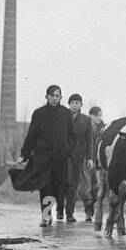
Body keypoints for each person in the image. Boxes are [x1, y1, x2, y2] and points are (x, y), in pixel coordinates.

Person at [17, 85, 75, 226]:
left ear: (60, 97)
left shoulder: (66, 113)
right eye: (52, 95)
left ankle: (52, 210)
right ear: (47, 97)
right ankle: (46, 216)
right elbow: (32, 135)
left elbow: (71, 136)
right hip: (43, 157)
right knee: (45, 186)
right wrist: (24, 154)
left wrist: (68, 149)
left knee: (57, 187)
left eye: (58, 96)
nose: (55, 98)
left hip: (60, 158)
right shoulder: (39, 113)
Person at [64, 93, 95, 224]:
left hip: (79, 156)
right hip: (63, 155)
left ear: (81, 105)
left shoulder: (86, 120)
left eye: (77, 103)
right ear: (69, 104)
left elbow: (90, 140)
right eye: (72, 103)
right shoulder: (63, 117)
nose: (74, 105)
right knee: (62, 183)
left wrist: (89, 157)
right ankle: (60, 210)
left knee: (74, 183)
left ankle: (69, 213)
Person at [86, 105, 107, 229]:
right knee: (86, 186)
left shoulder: (103, 129)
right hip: (87, 159)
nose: (99, 118)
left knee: (95, 186)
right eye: (97, 115)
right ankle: (88, 210)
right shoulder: (86, 126)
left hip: (97, 161)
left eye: (100, 115)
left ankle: (91, 212)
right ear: (91, 116)